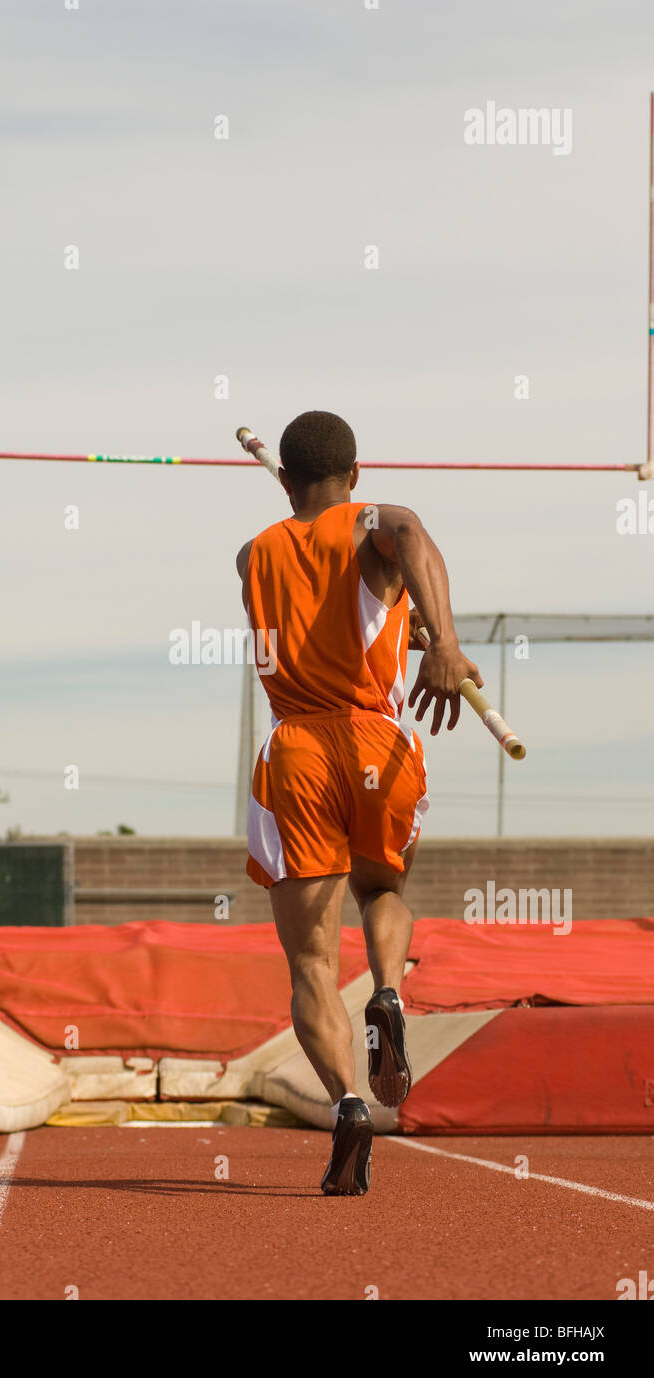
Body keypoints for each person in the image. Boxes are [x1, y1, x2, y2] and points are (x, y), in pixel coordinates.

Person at [236, 410, 482, 1195]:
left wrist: (415, 632)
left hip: (298, 751)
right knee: (383, 888)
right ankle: (386, 990)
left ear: (284, 478)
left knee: (308, 959)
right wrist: (436, 639)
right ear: (356, 471)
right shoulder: (371, 525)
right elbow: (405, 531)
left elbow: (308, 635)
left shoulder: (250, 556)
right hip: (377, 744)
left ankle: (346, 1104)